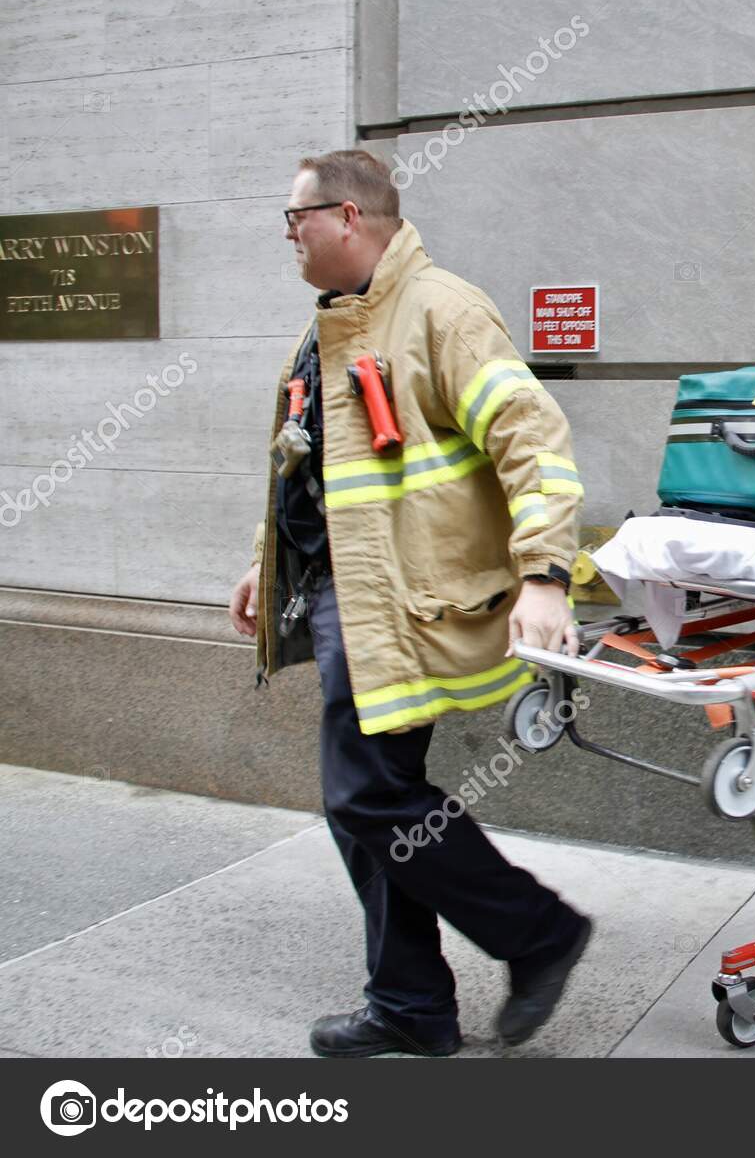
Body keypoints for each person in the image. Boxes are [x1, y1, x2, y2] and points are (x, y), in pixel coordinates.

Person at [228, 149, 590, 1058]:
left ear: (347, 217)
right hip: (341, 601)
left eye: (294, 217)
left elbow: (533, 438)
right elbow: (308, 469)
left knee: (367, 797)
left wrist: (547, 573)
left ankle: (535, 931)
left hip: (397, 608)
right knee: (371, 798)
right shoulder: (332, 326)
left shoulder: (440, 309)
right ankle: (410, 1005)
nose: (287, 235)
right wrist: (262, 568)